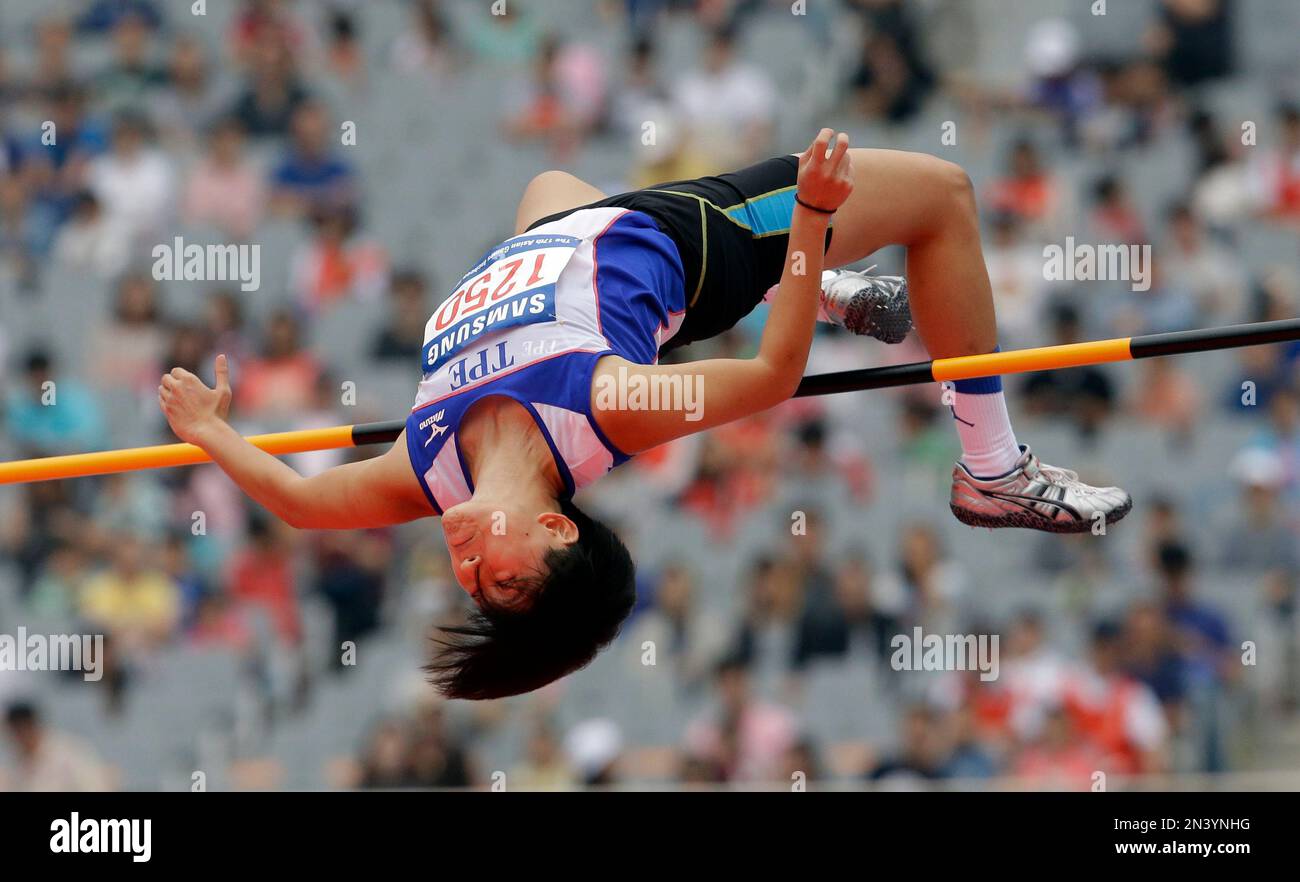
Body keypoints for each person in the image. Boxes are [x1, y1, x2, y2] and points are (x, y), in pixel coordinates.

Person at [156, 130, 1131, 700]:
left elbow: (296, 501)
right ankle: (991, 465)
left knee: (545, 181)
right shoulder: (605, 408)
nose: (465, 564)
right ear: (551, 526)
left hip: (569, 228)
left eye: (469, 585)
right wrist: (806, 226)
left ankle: (831, 290)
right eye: (500, 574)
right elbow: (768, 381)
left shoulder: (429, 470)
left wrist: (210, 432)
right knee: (941, 196)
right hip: (700, 241)